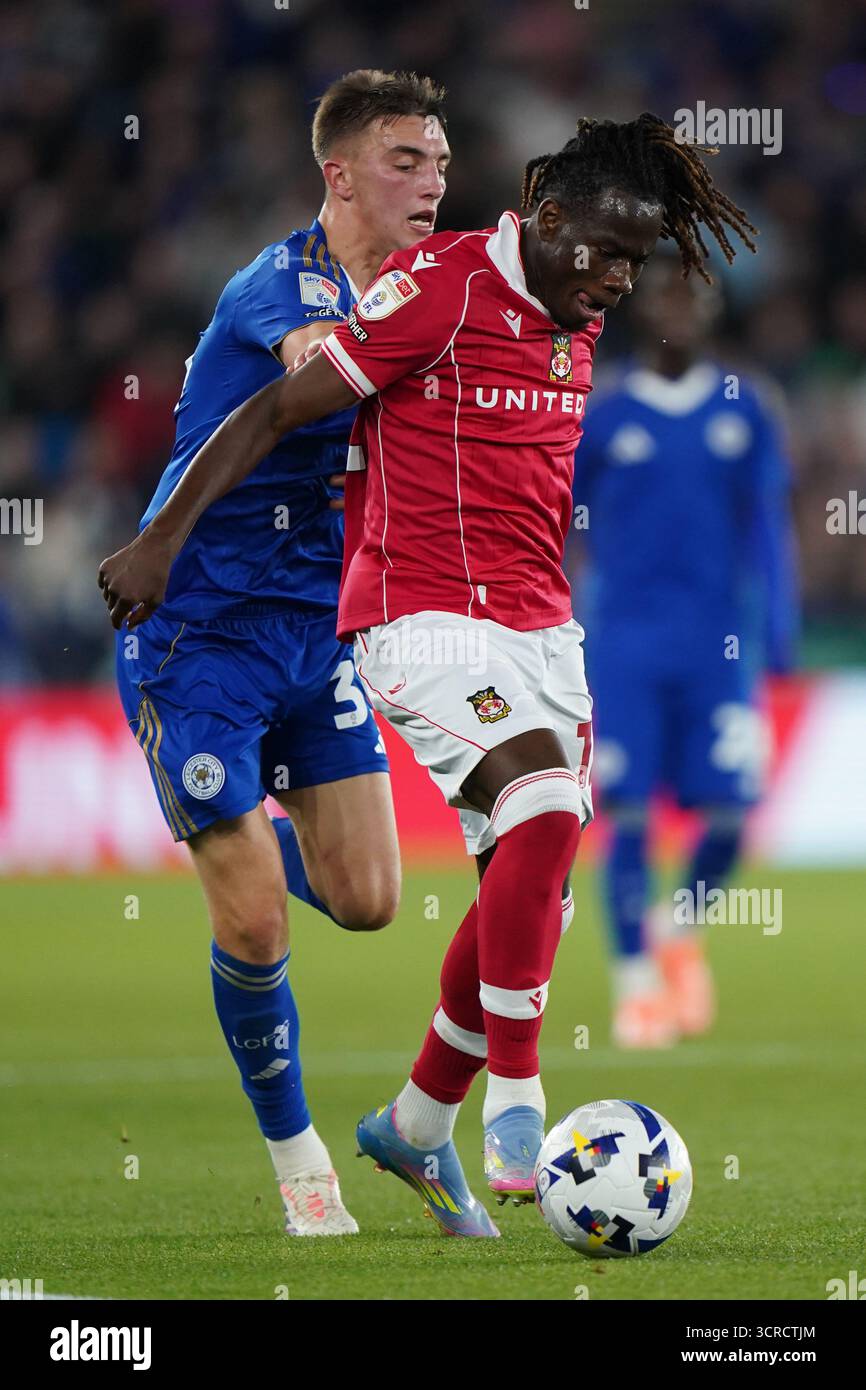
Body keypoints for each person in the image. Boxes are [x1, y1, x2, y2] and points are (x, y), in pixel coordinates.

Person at [98, 113, 757, 1239]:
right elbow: (278, 405)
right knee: (540, 804)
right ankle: (515, 1096)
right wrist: (160, 536)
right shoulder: (438, 288)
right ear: (543, 218)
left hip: (542, 634)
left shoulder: (574, 318)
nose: (610, 279)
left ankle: (412, 1118)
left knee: (521, 885)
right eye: (598, 251)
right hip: (418, 617)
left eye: (631, 263)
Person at [98, 70, 450, 1236]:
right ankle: (300, 1161)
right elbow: (310, 359)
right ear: (338, 173)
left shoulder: (423, 287)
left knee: (370, 902)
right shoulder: (282, 280)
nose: (431, 180)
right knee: (256, 925)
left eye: (441, 162)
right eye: (405, 160)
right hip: (198, 630)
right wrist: (153, 541)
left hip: (316, 631)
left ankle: (241, 828)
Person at [567, 251, 798, 1048]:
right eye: (665, 296)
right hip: (624, 644)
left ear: (712, 310)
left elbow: (766, 527)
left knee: (732, 811)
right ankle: (635, 984)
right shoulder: (607, 411)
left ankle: (678, 925)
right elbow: (561, 518)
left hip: (717, 645)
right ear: (644, 309)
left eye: (693, 298)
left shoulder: (746, 407)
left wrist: (779, 631)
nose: (678, 311)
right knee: (625, 812)